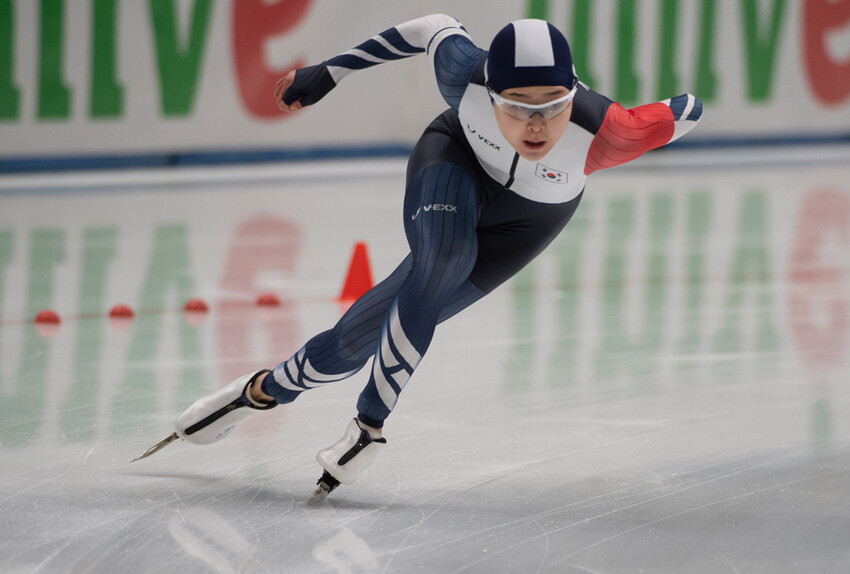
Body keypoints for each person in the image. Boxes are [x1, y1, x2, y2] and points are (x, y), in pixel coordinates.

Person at [134, 15, 702, 501]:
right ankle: (369, 426)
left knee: (347, 348)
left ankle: (257, 393)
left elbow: (689, 108)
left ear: (571, 97)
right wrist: (327, 72)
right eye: (515, 106)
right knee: (440, 262)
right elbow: (430, 27)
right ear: (489, 90)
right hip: (453, 161)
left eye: (551, 107)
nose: (535, 125)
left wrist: (683, 108)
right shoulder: (465, 75)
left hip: (529, 221)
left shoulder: (611, 130)